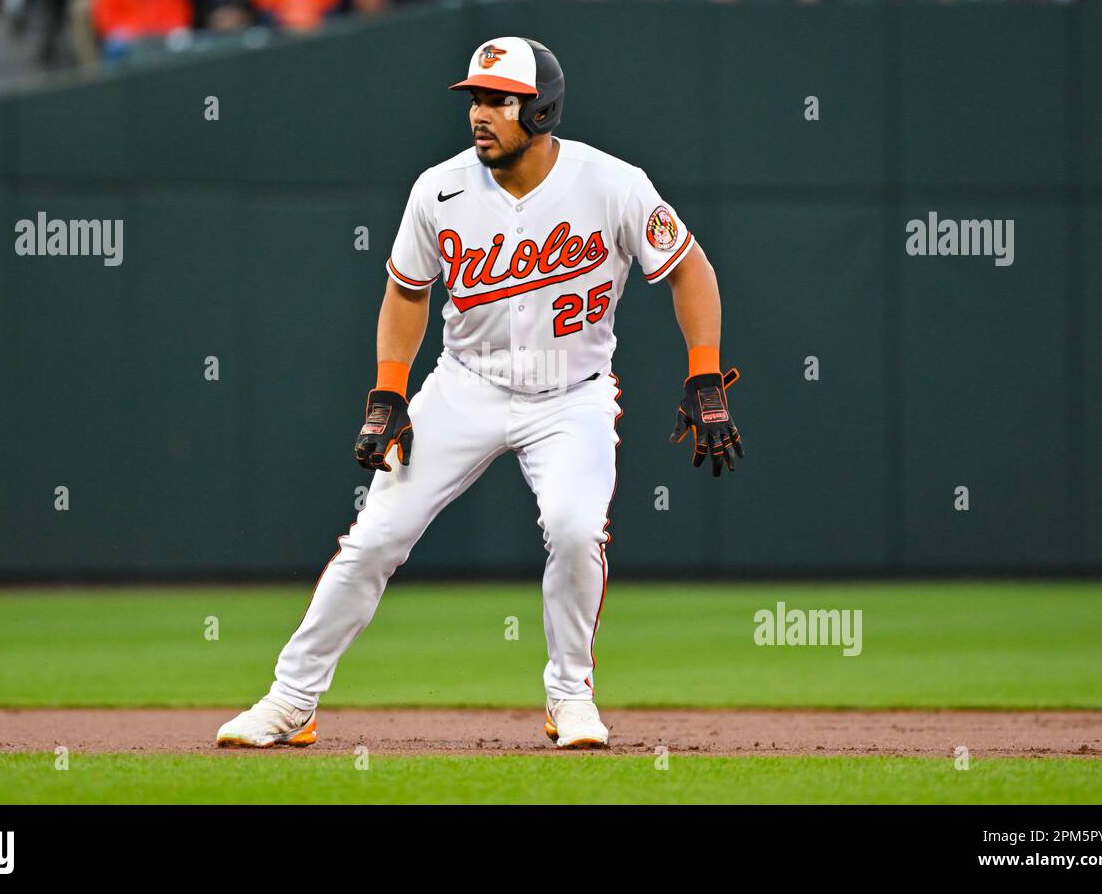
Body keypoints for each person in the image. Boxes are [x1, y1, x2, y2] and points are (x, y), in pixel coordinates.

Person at [216, 37, 744, 750]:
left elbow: (691, 269)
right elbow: (406, 292)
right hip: (466, 387)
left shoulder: (613, 183)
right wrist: (388, 394)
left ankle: (570, 697)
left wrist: (705, 373)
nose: (481, 114)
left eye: (500, 100)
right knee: (375, 537)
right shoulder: (439, 188)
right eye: (476, 99)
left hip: (572, 395)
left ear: (543, 108)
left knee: (574, 527)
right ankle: (290, 700)